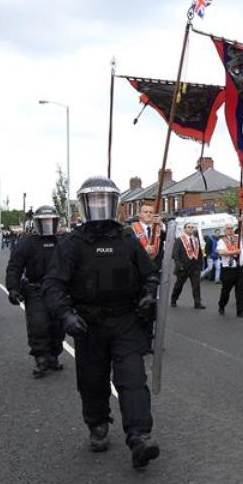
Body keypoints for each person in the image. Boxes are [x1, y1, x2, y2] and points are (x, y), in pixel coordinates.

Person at [43, 176, 161, 468]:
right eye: (92, 200)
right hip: (88, 325)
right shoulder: (71, 244)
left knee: (133, 378)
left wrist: (148, 295)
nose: (98, 206)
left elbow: (150, 275)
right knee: (93, 381)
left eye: (103, 200)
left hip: (126, 321)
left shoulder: (127, 240)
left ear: (113, 204)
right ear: (84, 205)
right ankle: (97, 423)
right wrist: (66, 314)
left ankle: (139, 436)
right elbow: (53, 285)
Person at [6, 205, 66, 377]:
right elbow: (14, 267)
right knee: (38, 325)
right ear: (36, 223)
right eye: (43, 221)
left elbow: (75, 266)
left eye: (50, 221)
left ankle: (54, 355)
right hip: (35, 289)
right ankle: (40, 358)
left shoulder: (63, 241)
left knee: (58, 325)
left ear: (55, 222)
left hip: (59, 290)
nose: (47, 224)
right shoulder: (27, 242)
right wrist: (12, 288)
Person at [170, 222, 204, 309]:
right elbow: (175, 254)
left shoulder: (196, 240)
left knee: (196, 285)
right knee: (179, 285)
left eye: (192, 227)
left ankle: (197, 302)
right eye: (189, 227)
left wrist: (200, 265)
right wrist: (179, 265)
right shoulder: (179, 240)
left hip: (195, 267)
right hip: (183, 267)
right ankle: (174, 299)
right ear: (185, 229)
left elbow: (199, 253)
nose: (191, 229)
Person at [216, 222, 243, 318]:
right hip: (228, 270)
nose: (230, 230)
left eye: (231, 228)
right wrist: (234, 252)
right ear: (224, 231)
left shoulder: (238, 237)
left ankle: (240, 311)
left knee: (240, 290)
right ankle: (221, 305)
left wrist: (242, 223)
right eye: (228, 228)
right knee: (226, 290)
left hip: (240, 268)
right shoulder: (222, 241)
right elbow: (221, 252)